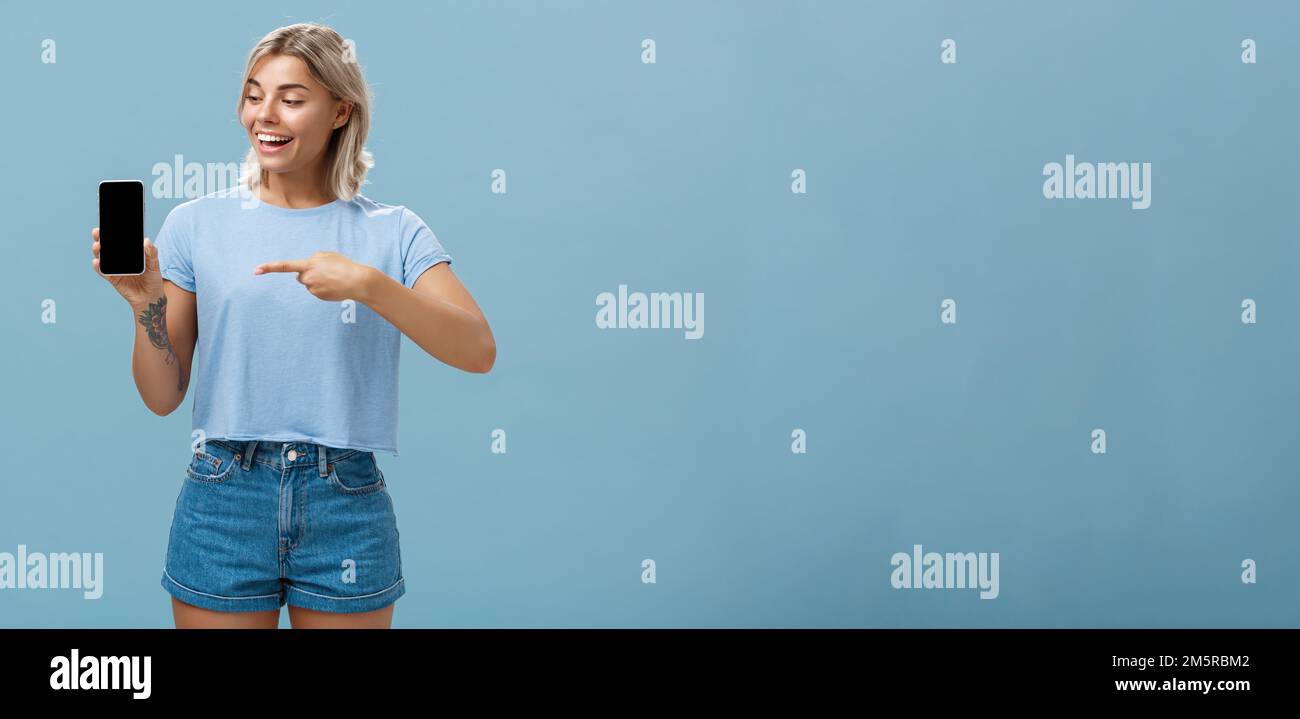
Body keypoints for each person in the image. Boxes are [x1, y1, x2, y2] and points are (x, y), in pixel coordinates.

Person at [90, 22, 495, 628]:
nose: (265, 115)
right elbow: (161, 396)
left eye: (292, 98)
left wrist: (368, 285)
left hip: (345, 501)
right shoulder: (195, 225)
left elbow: (477, 348)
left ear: (339, 110)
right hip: (223, 495)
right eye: (253, 95)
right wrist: (146, 306)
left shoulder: (394, 230)